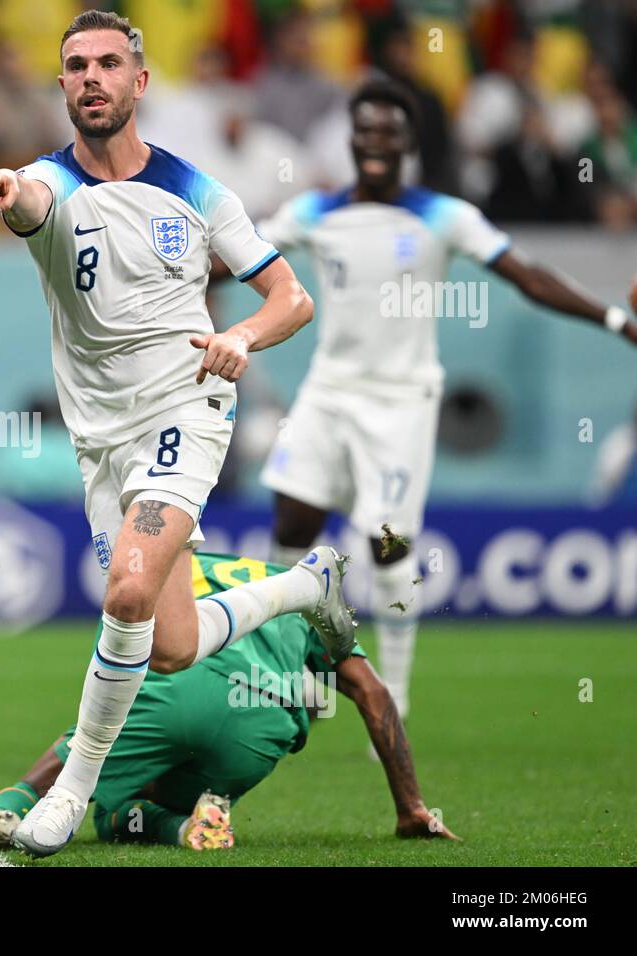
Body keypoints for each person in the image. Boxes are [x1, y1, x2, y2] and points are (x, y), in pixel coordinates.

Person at [0, 9, 356, 857]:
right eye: (76, 66)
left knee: (127, 593)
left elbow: (291, 297)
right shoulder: (48, 182)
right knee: (172, 646)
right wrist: (6, 193)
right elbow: (29, 202)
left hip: (187, 410)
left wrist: (241, 338)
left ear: (140, 82)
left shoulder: (199, 191)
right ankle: (306, 587)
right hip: (99, 438)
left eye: (110, 63)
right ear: (62, 83)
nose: (92, 78)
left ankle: (69, 798)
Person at [253, 79, 637, 721]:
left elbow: (529, 277)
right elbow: (236, 258)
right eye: (365, 130)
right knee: (292, 528)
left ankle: (393, 696)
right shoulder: (315, 212)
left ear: (406, 143)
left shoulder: (442, 215)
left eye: (389, 132)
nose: (375, 142)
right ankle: (296, 675)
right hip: (327, 392)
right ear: (351, 139)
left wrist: (620, 321)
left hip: (402, 399)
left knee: (388, 544)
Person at [0, 552, 457, 854]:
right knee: (132, 806)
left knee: (91, 779)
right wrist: (411, 807)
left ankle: (4, 809)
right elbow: (373, 694)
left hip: (172, 692)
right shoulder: (295, 593)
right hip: (257, 731)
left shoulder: (171, 567)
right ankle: (191, 827)